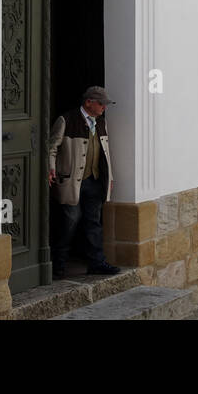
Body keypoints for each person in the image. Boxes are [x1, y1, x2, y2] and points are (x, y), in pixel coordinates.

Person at [47, 86, 119, 277]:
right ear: (89, 102)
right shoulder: (66, 120)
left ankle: (97, 263)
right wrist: (50, 169)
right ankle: (58, 265)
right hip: (72, 182)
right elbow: (52, 147)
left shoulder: (101, 123)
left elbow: (106, 153)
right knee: (69, 222)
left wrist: (109, 178)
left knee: (93, 223)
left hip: (95, 181)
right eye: (101, 103)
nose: (104, 107)